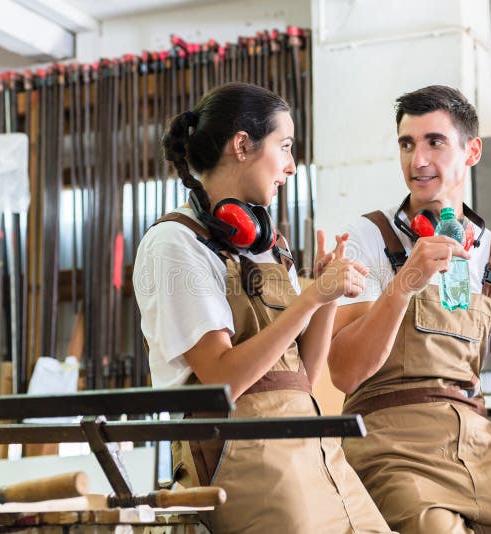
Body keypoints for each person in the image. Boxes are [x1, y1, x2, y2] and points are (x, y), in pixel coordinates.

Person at [132, 83, 392, 534]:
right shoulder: (174, 242)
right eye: (284, 146)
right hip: (244, 453)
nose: (291, 166)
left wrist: (326, 300)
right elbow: (221, 380)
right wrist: (310, 297)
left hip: (314, 447)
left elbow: (303, 377)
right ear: (242, 145)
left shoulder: (271, 245)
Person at [328, 85, 491, 533]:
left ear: (472, 151)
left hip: (479, 446)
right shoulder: (368, 239)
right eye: (407, 144)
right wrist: (405, 283)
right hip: (391, 448)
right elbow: (344, 373)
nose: (418, 161)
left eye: (435, 142)